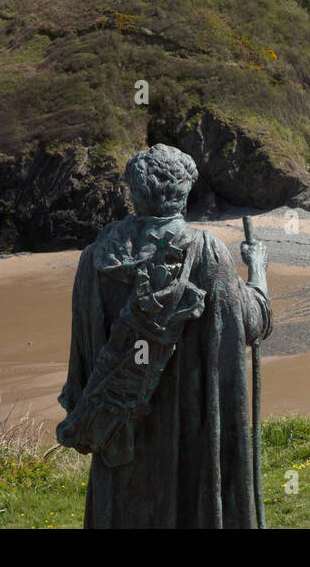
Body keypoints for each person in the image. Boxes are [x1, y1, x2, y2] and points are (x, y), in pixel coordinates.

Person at [57, 144, 271, 528]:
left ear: (133, 192)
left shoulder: (95, 258)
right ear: (185, 192)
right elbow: (252, 323)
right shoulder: (206, 253)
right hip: (189, 432)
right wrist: (258, 272)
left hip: (120, 428)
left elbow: (83, 354)